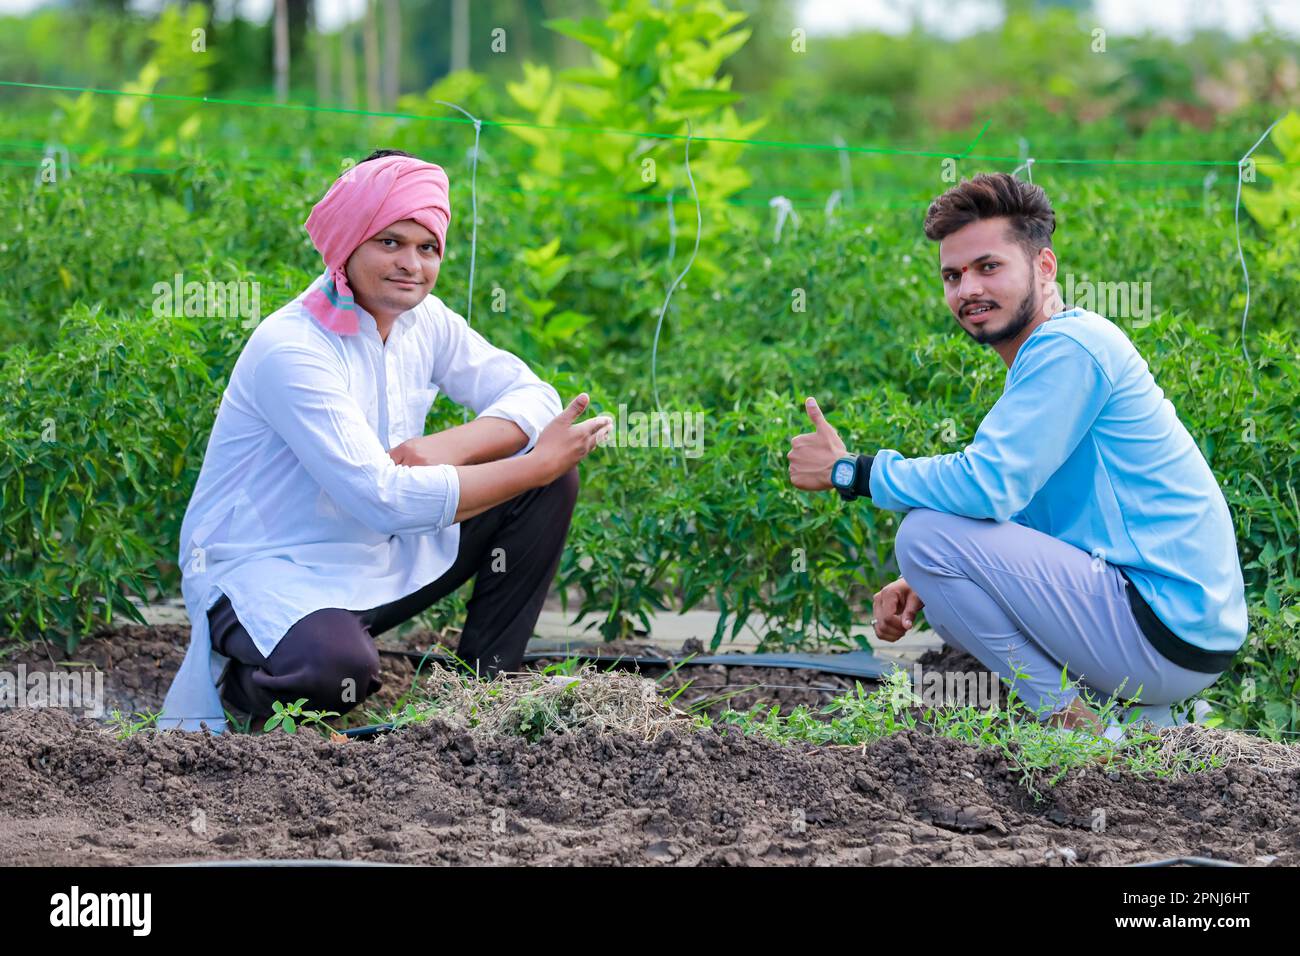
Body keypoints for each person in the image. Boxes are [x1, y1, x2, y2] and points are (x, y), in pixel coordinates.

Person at [158, 149, 611, 733]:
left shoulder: (427, 322)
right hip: (271, 568)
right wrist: (534, 466)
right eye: (390, 242)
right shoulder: (294, 348)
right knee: (335, 667)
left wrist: (452, 446)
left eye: (428, 248)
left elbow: (533, 394)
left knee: (547, 481)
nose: (411, 264)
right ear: (348, 244)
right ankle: (247, 688)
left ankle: (486, 694)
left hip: (375, 551)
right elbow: (382, 497)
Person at [786, 172, 1247, 736]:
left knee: (923, 536)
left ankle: (1076, 725)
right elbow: (1022, 508)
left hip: (1160, 624)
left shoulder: (1070, 348)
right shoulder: (1051, 356)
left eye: (988, 267)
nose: (967, 290)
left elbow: (989, 487)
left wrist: (849, 471)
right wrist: (923, 583)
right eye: (952, 276)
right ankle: (1141, 719)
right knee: (937, 574)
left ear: (1044, 266)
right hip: (1180, 638)